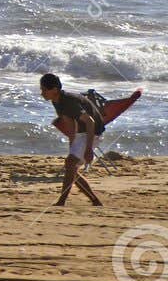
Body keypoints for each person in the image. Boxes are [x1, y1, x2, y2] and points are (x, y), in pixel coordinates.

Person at [39, 73, 114, 207]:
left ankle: (62, 202)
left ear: (54, 90)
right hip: (82, 133)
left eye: (44, 90)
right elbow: (69, 123)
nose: (42, 93)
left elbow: (90, 122)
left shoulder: (68, 101)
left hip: (93, 132)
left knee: (70, 165)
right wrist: (72, 145)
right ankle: (95, 201)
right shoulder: (56, 101)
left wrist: (89, 149)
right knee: (71, 166)